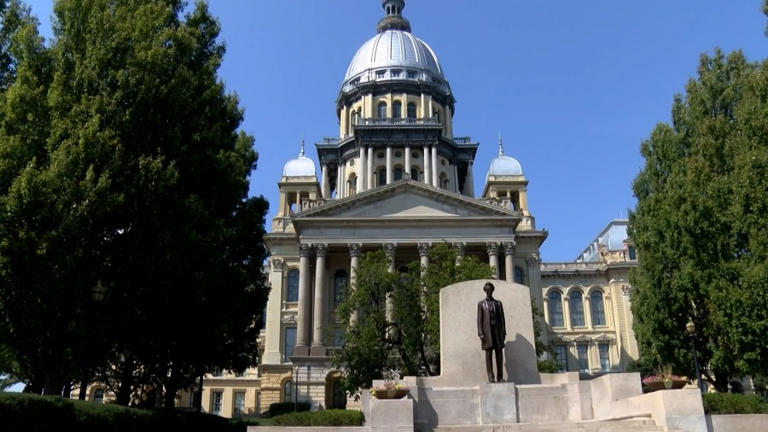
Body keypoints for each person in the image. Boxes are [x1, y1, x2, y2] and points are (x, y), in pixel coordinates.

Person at [477, 281, 506, 382]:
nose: (489, 291)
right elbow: (479, 320)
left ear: (493, 290)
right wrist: (480, 333)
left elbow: (502, 319)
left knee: (499, 354)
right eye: (487, 290)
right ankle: (491, 376)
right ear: (485, 291)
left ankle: (500, 377)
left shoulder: (498, 304)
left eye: (490, 289)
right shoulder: (481, 304)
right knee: (488, 354)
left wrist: (503, 332)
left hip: (497, 332)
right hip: (487, 333)